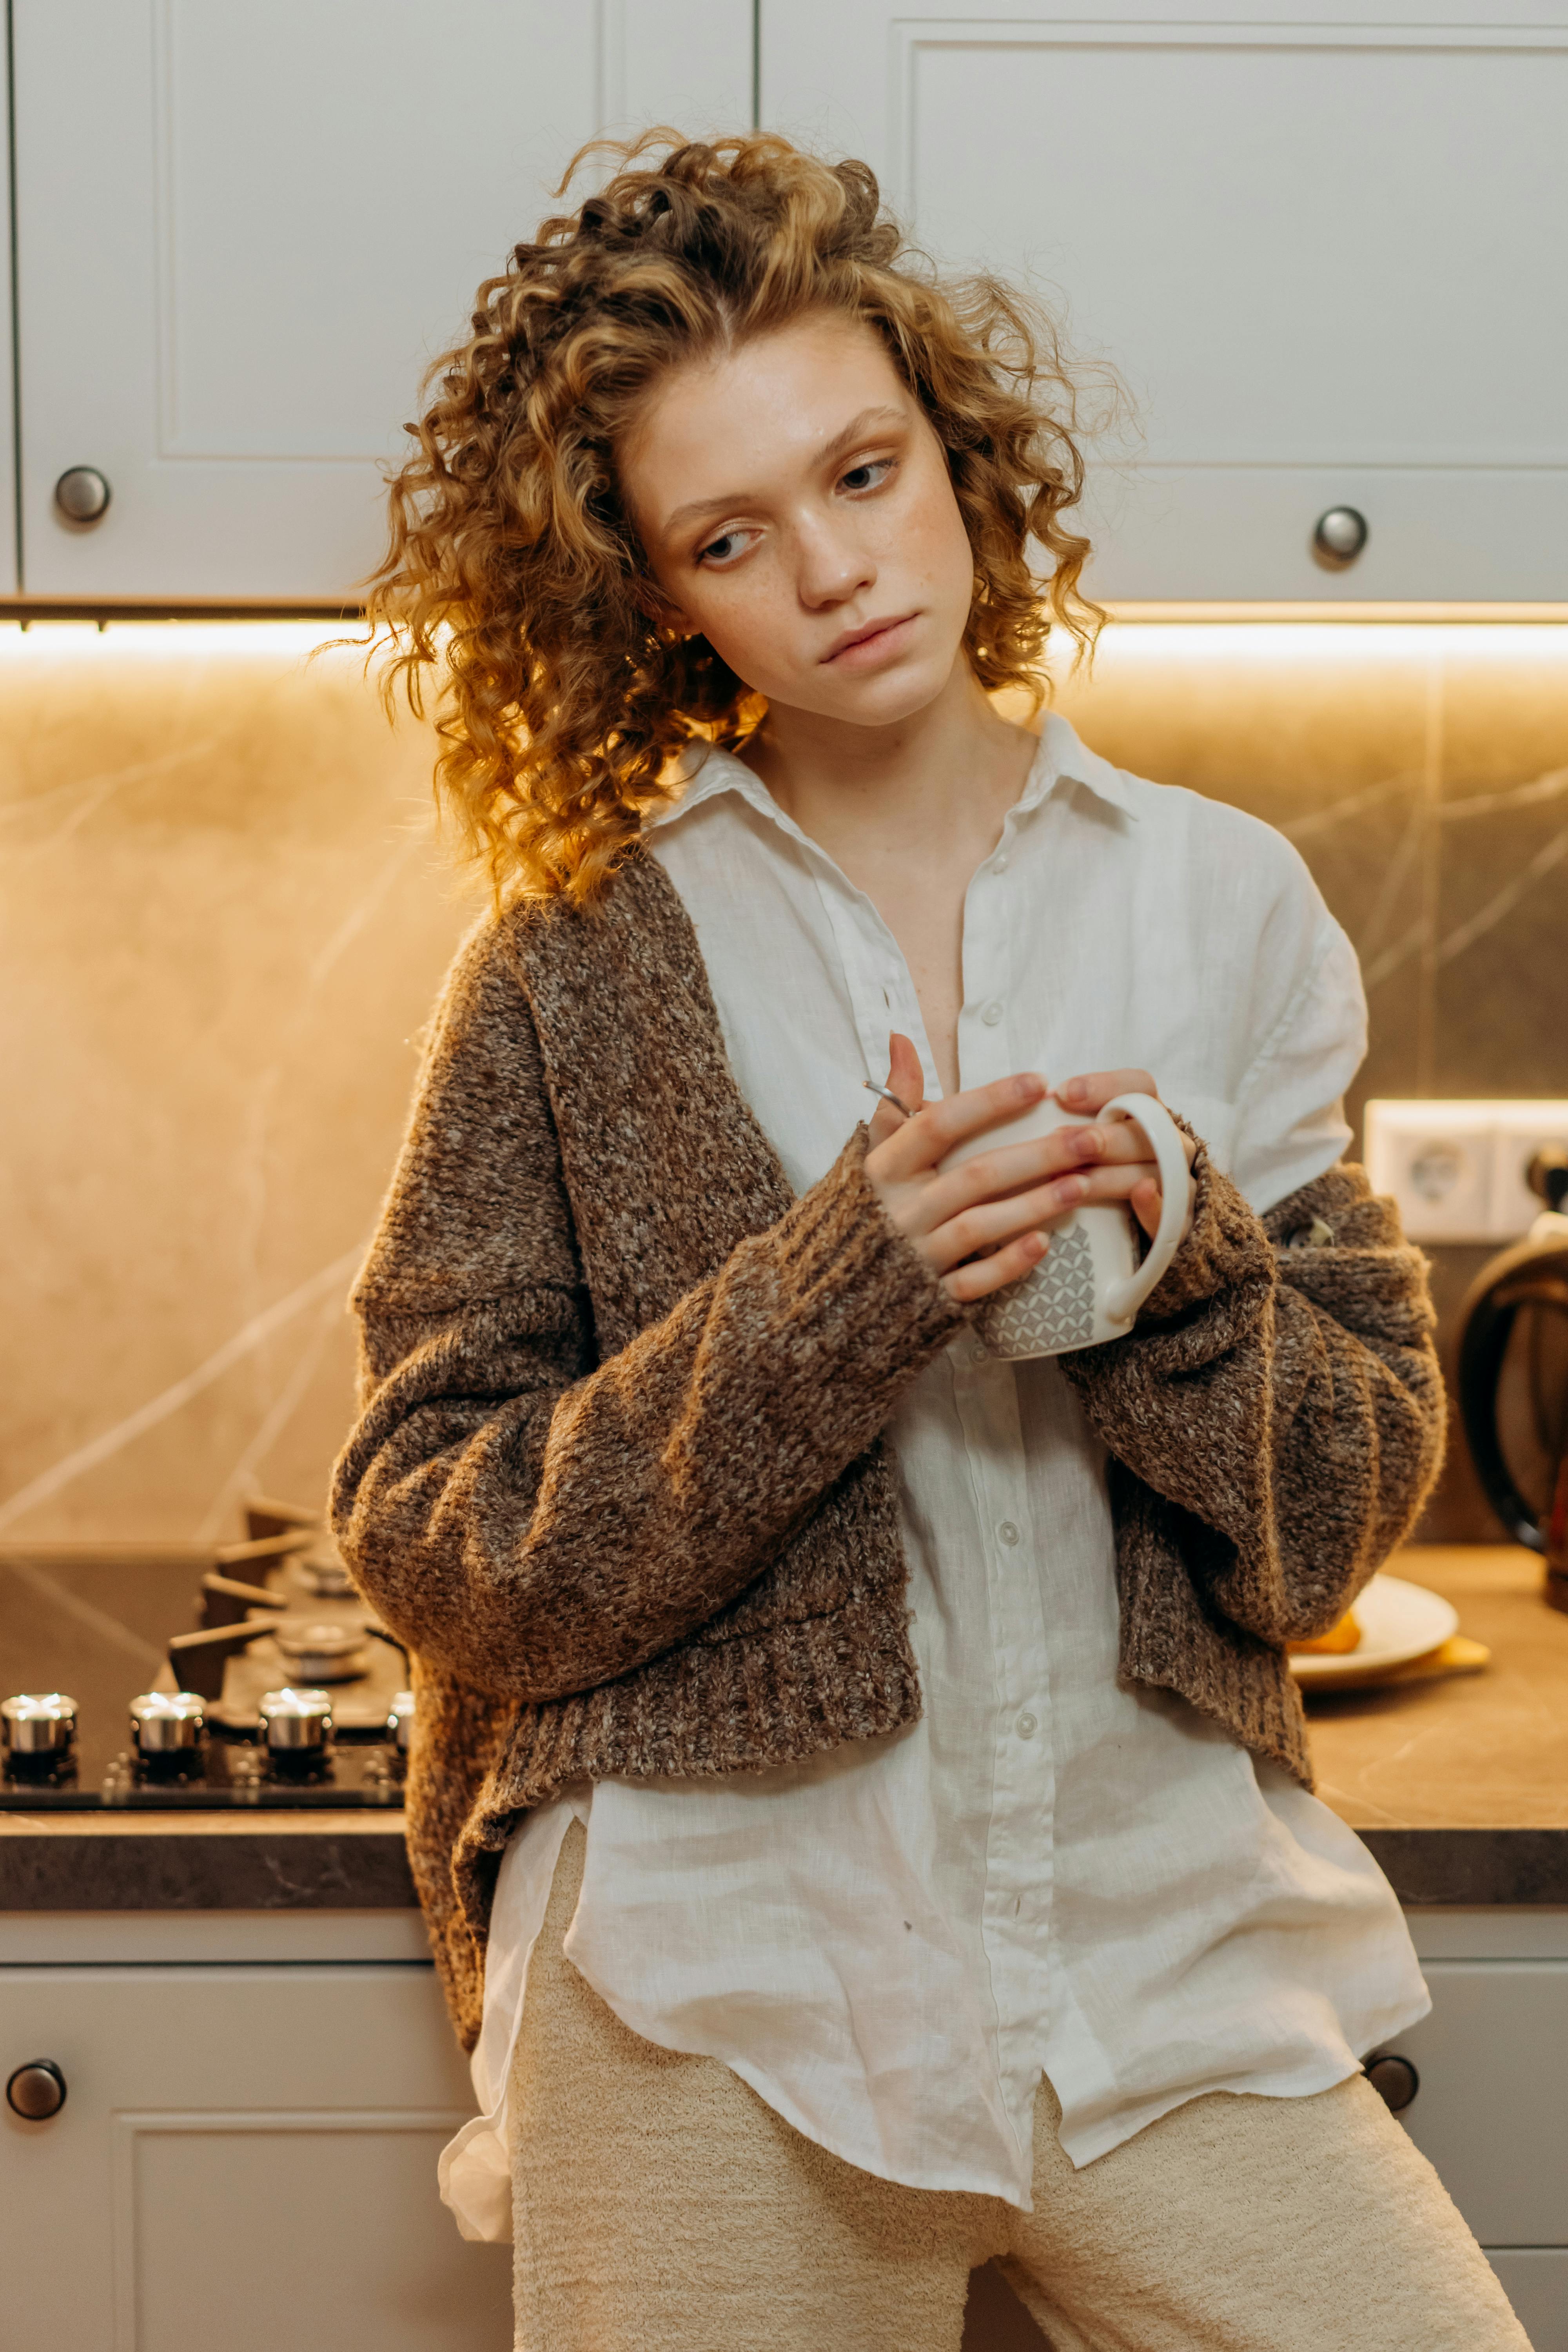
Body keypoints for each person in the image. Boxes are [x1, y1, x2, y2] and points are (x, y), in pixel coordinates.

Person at [331, 132, 1530, 2352]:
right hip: (722, 1992)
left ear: (955, 452)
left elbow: (1333, 1517)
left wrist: (1166, 1275)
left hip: (1171, 1966)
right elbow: (436, 1530)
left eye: (865, 472)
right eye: (730, 536)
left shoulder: (1225, 903)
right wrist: (832, 1296)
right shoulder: (575, 965)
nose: (836, 569)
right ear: (656, 600)